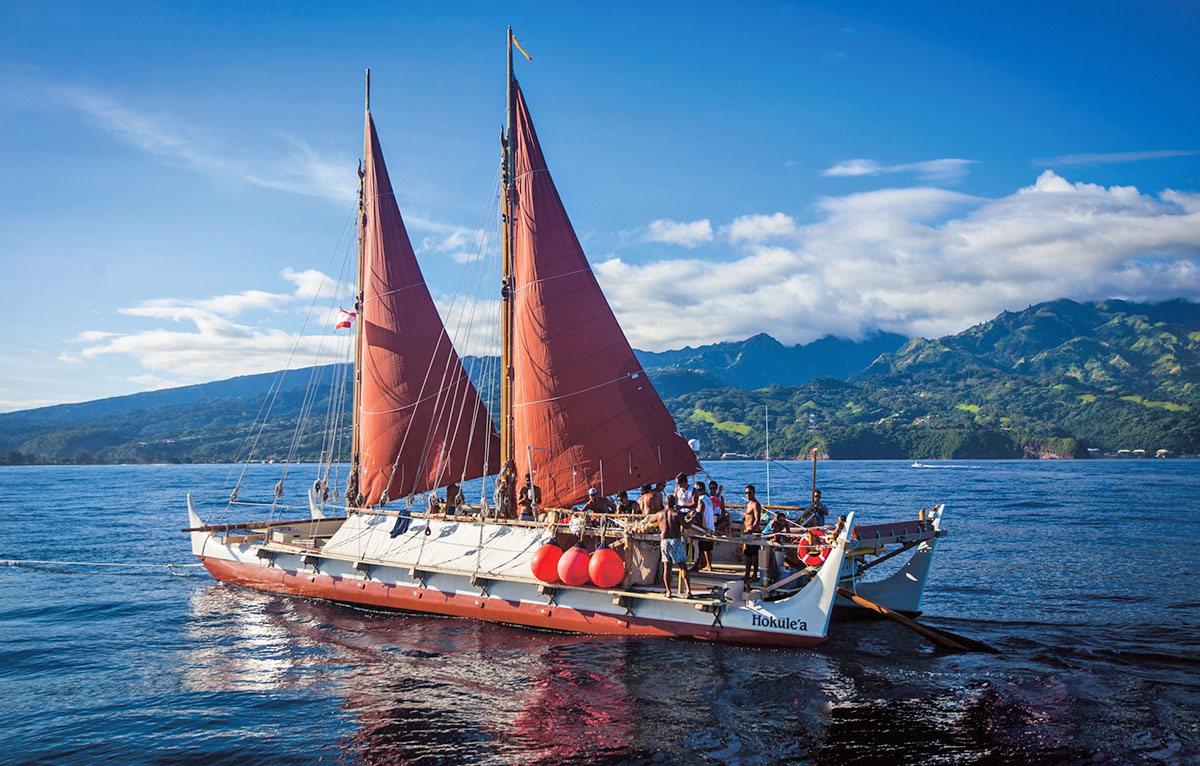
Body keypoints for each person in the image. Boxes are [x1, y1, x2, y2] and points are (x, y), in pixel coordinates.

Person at [645, 495, 692, 598]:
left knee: (667, 567)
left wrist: (659, 523)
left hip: (665, 541)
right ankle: (688, 590)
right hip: (676, 541)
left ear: (665, 503)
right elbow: (686, 526)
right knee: (682, 566)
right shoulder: (677, 514)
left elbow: (651, 520)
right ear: (674, 503)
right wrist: (692, 519)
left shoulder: (659, 514)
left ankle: (668, 591)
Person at [688, 481, 715, 572]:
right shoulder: (708, 498)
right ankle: (707, 565)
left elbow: (699, 514)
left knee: (700, 547)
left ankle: (700, 565)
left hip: (704, 527)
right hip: (710, 526)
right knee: (707, 548)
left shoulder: (701, 500)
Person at [742, 484, 763, 583]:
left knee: (754, 556)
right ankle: (746, 574)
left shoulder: (755, 504)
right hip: (747, 532)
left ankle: (754, 574)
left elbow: (757, 519)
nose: (747, 494)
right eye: (746, 493)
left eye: (749, 493)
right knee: (747, 555)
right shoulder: (748, 504)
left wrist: (752, 530)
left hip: (754, 533)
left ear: (754, 493)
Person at [765, 510, 792, 584]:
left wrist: (789, 540)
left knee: (785, 545)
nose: (782, 522)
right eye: (781, 520)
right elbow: (775, 536)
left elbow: (788, 533)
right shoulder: (774, 524)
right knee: (776, 548)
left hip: (777, 535)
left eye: (784, 520)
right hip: (767, 535)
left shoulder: (786, 523)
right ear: (777, 520)